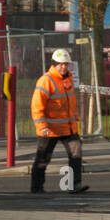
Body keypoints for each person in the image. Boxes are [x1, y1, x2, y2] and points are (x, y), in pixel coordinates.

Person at [30, 48, 88, 193]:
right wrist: (42, 126)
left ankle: (75, 185)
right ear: (54, 64)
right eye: (61, 64)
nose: (64, 67)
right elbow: (37, 106)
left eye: (66, 64)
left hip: (68, 128)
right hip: (50, 129)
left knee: (76, 153)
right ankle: (36, 188)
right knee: (43, 159)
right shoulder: (46, 81)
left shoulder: (68, 80)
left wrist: (75, 121)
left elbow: (70, 104)